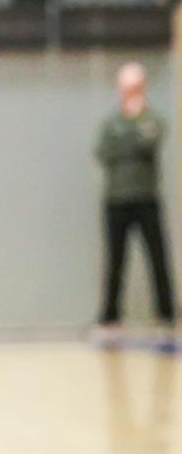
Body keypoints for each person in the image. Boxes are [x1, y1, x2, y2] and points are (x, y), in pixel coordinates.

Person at [94, 63, 177, 347]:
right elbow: (105, 151)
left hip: (146, 198)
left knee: (157, 257)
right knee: (115, 259)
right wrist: (132, 136)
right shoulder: (111, 122)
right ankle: (109, 318)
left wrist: (133, 130)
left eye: (135, 87)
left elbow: (148, 143)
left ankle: (167, 316)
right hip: (116, 199)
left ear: (142, 88)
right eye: (126, 87)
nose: (130, 92)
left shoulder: (152, 118)